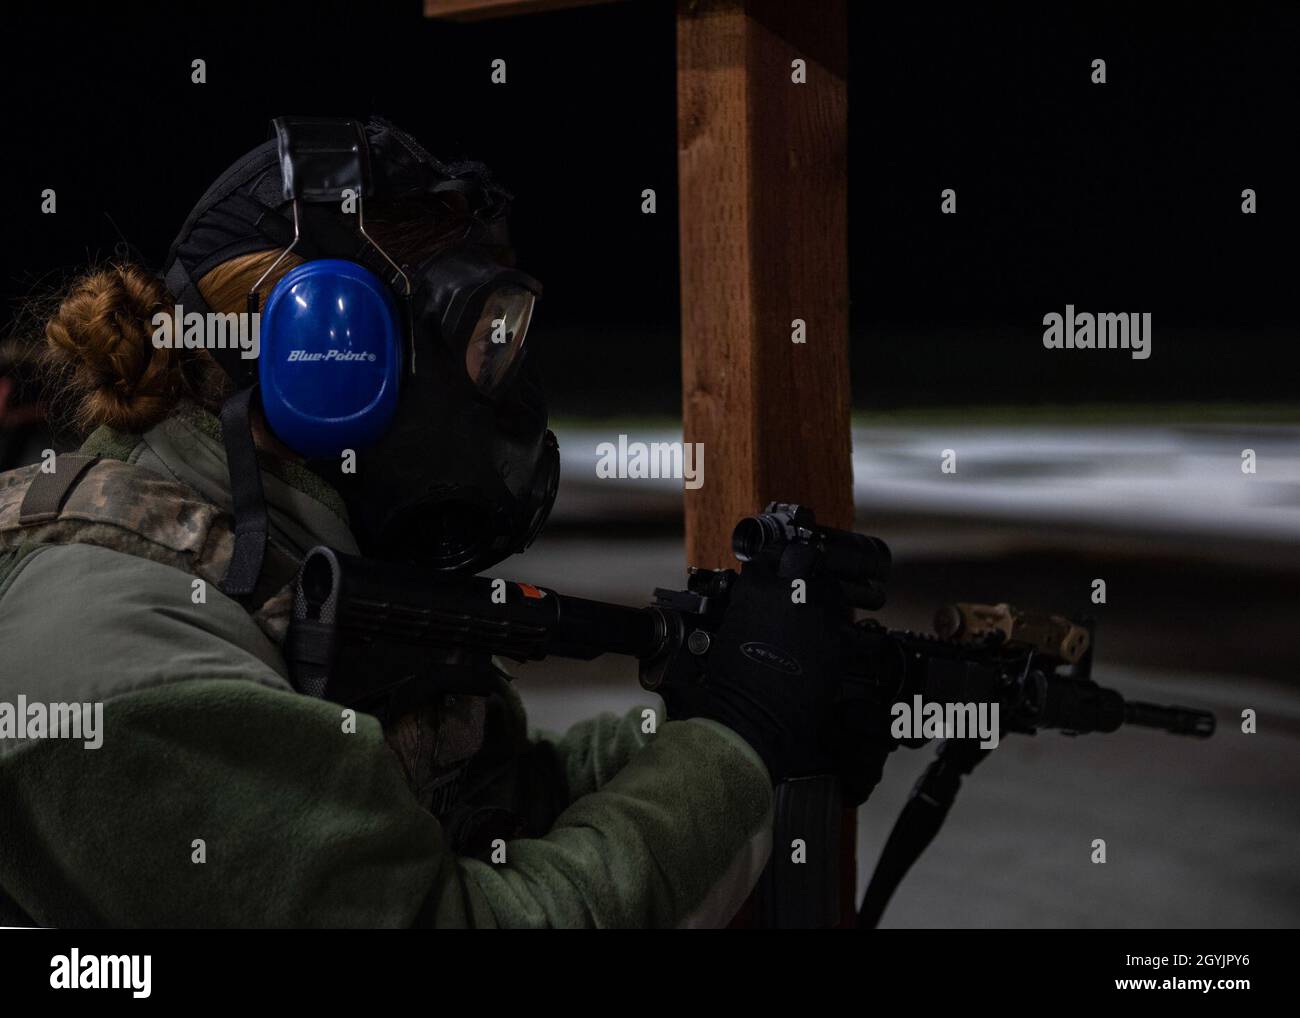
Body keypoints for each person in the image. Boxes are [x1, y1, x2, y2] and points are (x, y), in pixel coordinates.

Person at [0, 117, 889, 928]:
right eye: (480, 339)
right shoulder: (131, 667)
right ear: (328, 357)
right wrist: (736, 748)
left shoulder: (260, 565)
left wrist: (737, 714)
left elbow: (485, 806)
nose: (500, 382)